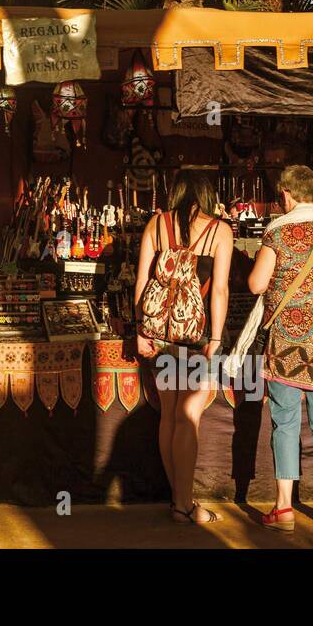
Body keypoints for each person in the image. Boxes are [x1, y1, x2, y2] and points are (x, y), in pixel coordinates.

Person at [248, 165, 313, 533]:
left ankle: (284, 508)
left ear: (286, 196)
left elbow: (256, 284)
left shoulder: (276, 232)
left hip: (286, 342)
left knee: (286, 421)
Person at [132, 170, 233, 526]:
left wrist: (140, 331)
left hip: (159, 336)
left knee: (171, 415)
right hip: (196, 337)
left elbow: (142, 280)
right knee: (189, 417)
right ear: (206, 195)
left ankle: (181, 500)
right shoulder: (220, 231)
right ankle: (183, 505)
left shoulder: (155, 224)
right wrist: (217, 340)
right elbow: (219, 290)